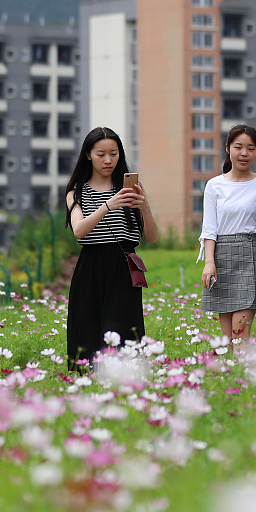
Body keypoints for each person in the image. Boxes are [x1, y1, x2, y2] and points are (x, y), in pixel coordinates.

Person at [64, 127, 158, 369]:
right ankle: (86, 383)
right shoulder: (76, 193)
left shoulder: (131, 190)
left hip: (123, 267)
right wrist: (108, 205)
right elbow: (79, 230)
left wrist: (144, 207)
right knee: (87, 328)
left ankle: (124, 383)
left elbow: (152, 237)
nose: (108, 160)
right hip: (90, 267)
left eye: (114, 154)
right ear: (88, 155)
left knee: (122, 330)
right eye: (101, 154)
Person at [199, 125, 256, 341]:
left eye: (250, 148)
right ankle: (231, 373)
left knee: (241, 333)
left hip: (251, 256)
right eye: (238, 147)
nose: (244, 153)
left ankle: (243, 370)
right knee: (227, 339)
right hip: (221, 259)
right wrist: (209, 262)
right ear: (228, 149)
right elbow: (210, 229)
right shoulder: (214, 185)